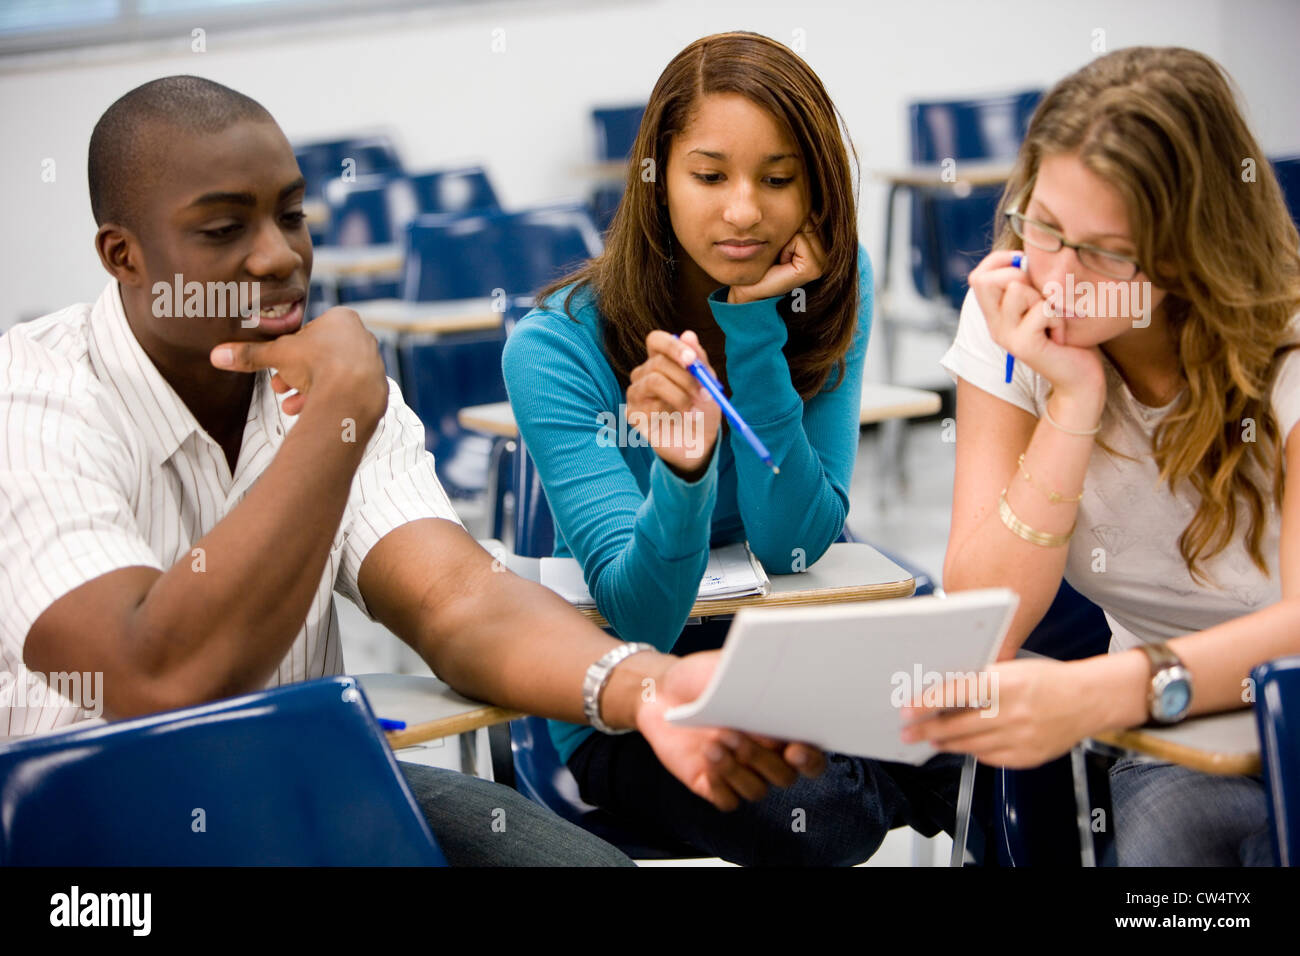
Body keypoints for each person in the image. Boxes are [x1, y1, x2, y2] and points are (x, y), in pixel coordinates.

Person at [0, 75, 826, 867]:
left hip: (296, 792)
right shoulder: (33, 400)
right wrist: (337, 414)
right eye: (223, 231)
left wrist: (649, 685)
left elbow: (456, 601)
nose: (278, 257)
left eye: (292, 216)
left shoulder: (342, 392)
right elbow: (159, 675)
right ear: (123, 255)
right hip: (78, 825)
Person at [503, 31, 961, 866]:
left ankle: (877, 761)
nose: (744, 210)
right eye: (709, 176)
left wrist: (754, 332)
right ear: (658, 180)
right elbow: (641, 614)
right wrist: (683, 472)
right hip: (639, 690)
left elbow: (798, 542)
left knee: (1002, 732)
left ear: (815, 187)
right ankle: (878, 767)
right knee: (816, 809)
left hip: (797, 636)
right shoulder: (553, 348)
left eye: (778, 179)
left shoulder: (830, 280)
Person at [915, 46, 1300, 866]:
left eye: (1102, 252)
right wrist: (1073, 406)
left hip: (1241, 706)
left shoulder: (1288, 349)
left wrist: (1099, 689)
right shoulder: (1008, 317)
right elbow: (991, 611)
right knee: (1165, 868)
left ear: (1189, 252)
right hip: (1182, 734)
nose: (1055, 275)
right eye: (1043, 224)